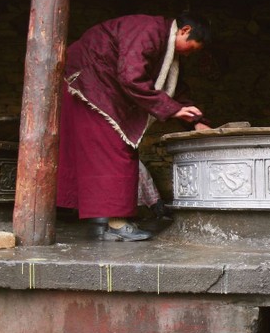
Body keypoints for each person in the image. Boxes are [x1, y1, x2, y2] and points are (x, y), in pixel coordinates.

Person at [56, 12, 212, 241]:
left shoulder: (165, 47)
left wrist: (198, 122)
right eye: (193, 48)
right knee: (117, 151)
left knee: (114, 152)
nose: (190, 54)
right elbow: (131, 76)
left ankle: (110, 223)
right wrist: (173, 110)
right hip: (89, 83)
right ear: (185, 31)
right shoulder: (149, 30)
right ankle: (116, 225)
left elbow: (174, 87)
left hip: (99, 83)